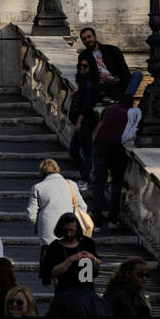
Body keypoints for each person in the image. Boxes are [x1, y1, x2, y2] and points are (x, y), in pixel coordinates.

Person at [90, 96, 131, 230]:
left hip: (100, 145)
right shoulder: (130, 113)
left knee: (99, 183)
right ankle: (113, 219)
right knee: (116, 183)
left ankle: (96, 220)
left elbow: (100, 126)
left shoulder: (108, 109)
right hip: (117, 147)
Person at [39, 212, 100, 296]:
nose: (68, 234)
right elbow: (53, 272)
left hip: (87, 292)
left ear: (77, 229)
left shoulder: (87, 243)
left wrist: (92, 257)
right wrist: (70, 260)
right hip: (65, 293)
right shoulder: (55, 247)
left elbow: (98, 262)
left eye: (72, 230)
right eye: (66, 230)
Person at [26, 158, 76, 247]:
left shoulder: (38, 187)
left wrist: (36, 226)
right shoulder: (71, 184)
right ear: (57, 169)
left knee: (48, 256)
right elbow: (82, 206)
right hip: (69, 227)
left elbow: (31, 214)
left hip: (47, 228)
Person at [77, 26, 134, 102]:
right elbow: (82, 76)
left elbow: (124, 69)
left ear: (95, 37)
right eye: (84, 39)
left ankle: (125, 99)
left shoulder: (112, 50)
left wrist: (117, 78)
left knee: (137, 75)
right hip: (101, 85)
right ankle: (122, 99)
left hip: (117, 82)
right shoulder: (83, 56)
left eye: (89, 37)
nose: (87, 40)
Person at [68, 56, 98, 187]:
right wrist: (77, 93)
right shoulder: (83, 81)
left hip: (85, 121)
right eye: (80, 66)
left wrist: (79, 121)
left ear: (90, 68)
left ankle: (85, 179)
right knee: (73, 151)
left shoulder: (90, 82)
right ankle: (85, 176)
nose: (81, 68)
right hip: (80, 121)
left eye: (85, 66)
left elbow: (87, 104)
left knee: (86, 152)